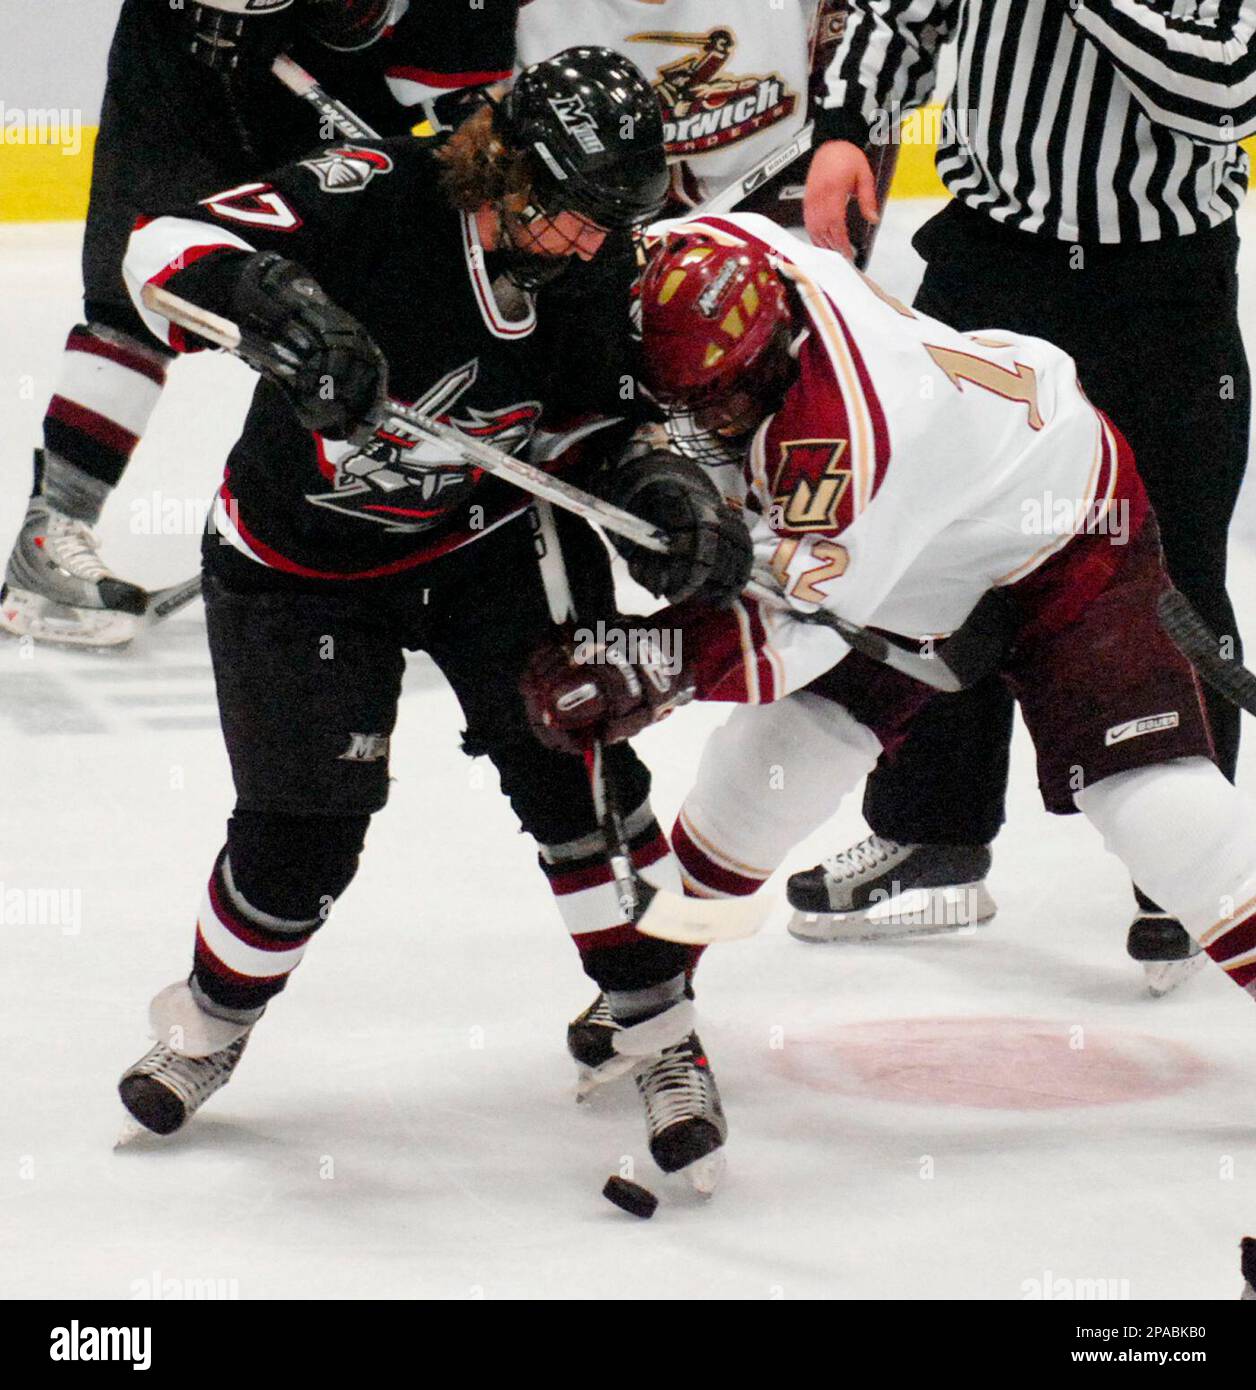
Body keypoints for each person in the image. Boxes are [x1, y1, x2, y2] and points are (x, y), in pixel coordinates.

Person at [114, 51, 751, 1190]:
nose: (602, 245)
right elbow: (155, 244)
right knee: (302, 831)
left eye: (618, 221)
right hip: (295, 563)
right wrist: (278, 304)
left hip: (486, 545)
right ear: (513, 177)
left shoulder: (591, 264)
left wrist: (662, 488)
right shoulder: (373, 193)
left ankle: (659, 1032)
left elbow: (598, 431)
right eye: (582, 217)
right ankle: (210, 1021)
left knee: (577, 760)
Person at [522, 218, 1256, 1045]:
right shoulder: (723, 251)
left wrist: (647, 665)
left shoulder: (847, 436)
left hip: (1063, 529)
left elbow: (785, 636)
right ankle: (651, 985)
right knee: (770, 767)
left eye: (722, 400)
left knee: (1152, 804)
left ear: (774, 350)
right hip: (910, 542)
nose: (706, 424)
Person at [796, 0, 1256, 993]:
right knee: (944, 556)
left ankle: (1185, 877)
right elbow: (896, 14)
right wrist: (842, 129)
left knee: (1172, 577)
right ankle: (932, 829)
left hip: (1159, 287)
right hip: (993, 267)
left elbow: (1215, 94)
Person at [0, 0, 510, 647]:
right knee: (137, 294)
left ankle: (402, 526)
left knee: (391, 285)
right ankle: (54, 528)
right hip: (186, 65)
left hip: (351, 80)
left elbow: (468, 117)